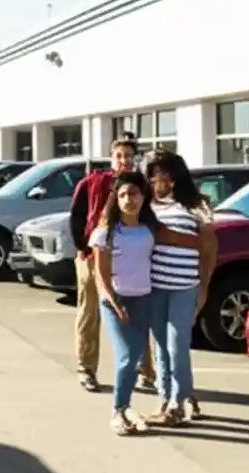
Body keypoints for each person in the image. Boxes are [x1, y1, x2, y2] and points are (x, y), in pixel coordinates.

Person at [92, 170, 205, 435]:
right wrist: (115, 303)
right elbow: (101, 276)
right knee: (129, 355)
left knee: (140, 357)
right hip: (116, 302)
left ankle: (142, 405)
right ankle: (118, 411)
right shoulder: (106, 232)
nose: (129, 199)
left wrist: (206, 242)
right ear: (116, 200)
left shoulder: (150, 228)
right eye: (122, 195)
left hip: (144, 299)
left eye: (133, 194)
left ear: (144, 197)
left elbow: (186, 240)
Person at [144, 150, 217, 424]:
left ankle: (179, 400)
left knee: (177, 345)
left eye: (162, 174)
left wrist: (204, 286)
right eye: (152, 175)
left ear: (175, 176)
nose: (157, 180)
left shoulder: (196, 205)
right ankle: (168, 399)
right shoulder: (148, 205)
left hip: (184, 286)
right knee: (161, 347)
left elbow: (209, 248)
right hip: (154, 286)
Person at [68, 135, 136, 392]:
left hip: (129, 258)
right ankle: (86, 368)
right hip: (92, 257)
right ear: (112, 158)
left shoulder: (140, 187)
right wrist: (85, 249)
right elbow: (76, 217)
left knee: (136, 313)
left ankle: (145, 369)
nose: (124, 161)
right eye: (119, 156)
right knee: (89, 313)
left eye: (128, 156)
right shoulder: (94, 183)